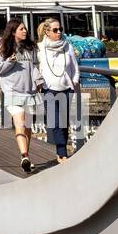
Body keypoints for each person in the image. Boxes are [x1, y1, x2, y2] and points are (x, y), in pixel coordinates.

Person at [0, 19, 43, 174]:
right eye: (22, 29)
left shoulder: (31, 48)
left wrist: (39, 80)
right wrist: (9, 61)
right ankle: (24, 155)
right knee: (20, 121)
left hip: (29, 91)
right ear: (13, 31)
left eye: (25, 29)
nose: (25, 31)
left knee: (27, 126)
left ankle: (26, 157)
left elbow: (34, 66)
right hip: (12, 91)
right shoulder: (4, 48)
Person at [37, 19, 80, 165]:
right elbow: (36, 67)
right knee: (55, 122)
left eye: (60, 29)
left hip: (66, 89)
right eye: (55, 30)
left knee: (64, 122)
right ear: (47, 32)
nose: (59, 32)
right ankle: (62, 153)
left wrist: (74, 81)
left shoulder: (67, 46)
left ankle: (62, 151)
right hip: (49, 89)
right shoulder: (40, 48)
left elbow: (75, 68)